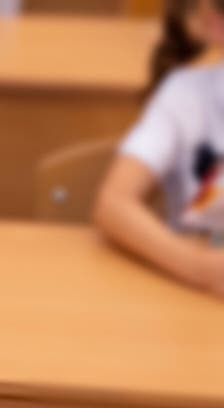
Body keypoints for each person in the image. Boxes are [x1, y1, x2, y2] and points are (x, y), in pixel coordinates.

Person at [94, 0, 224, 297]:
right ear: (215, 22)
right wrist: (200, 268)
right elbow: (113, 203)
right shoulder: (185, 96)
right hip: (194, 300)